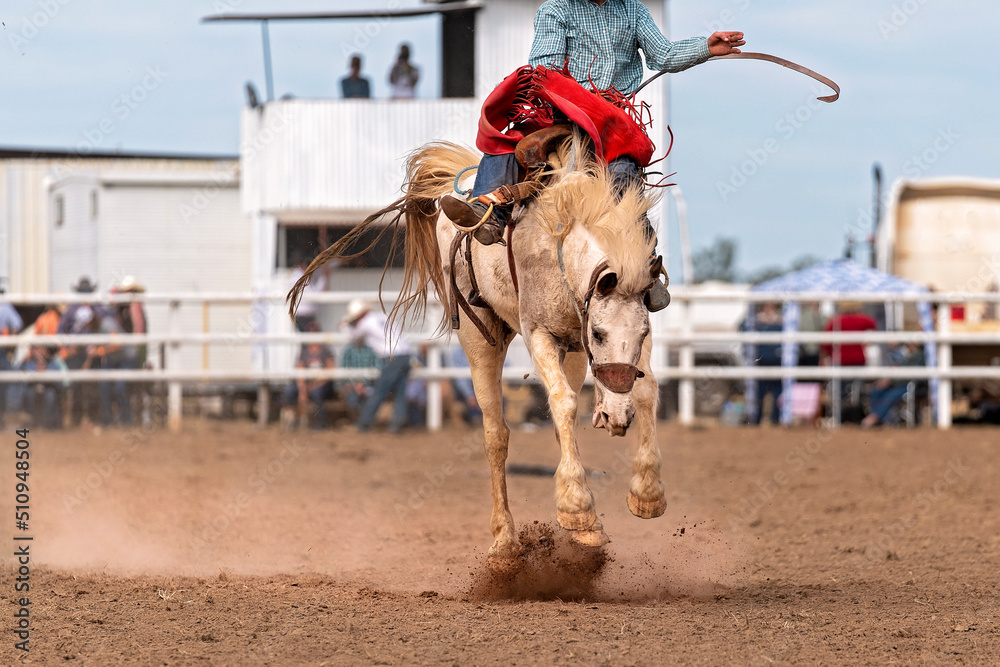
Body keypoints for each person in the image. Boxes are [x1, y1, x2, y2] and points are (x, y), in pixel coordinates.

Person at [439, 0, 744, 314]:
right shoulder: (556, 10)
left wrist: (704, 47)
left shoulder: (633, 11)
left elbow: (662, 55)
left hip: (612, 120)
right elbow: (545, 65)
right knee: (508, 140)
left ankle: (644, 263)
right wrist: (579, 98)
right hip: (562, 112)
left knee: (623, 175)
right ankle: (488, 212)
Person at [339, 299, 413, 433]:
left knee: (379, 391)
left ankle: (364, 423)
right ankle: (397, 424)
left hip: (392, 357)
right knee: (400, 392)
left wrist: (345, 326)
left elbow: (355, 336)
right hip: (405, 354)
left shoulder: (365, 323)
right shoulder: (383, 316)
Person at [282, 321, 337, 429]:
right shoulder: (304, 352)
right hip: (306, 384)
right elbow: (299, 371)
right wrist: (303, 390)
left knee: (317, 393)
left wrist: (311, 386)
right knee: (290, 391)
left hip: (322, 384)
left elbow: (330, 373)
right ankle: (293, 419)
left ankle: (321, 422)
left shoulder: (326, 351)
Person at [861, 341, 925, 428]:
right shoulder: (902, 353)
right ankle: (878, 417)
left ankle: (874, 418)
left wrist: (890, 381)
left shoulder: (920, 356)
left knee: (890, 395)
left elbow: (910, 376)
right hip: (895, 383)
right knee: (876, 390)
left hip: (907, 385)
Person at [339, 334, 381, 421]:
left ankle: (364, 422)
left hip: (368, 385)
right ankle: (363, 422)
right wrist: (356, 384)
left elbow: (377, 368)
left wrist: (363, 384)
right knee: (353, 400)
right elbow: (344, 369)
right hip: (352, 385)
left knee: (371, 399)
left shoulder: (371, 350)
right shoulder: (348, 351)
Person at [0, 290, 25, 424]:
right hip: (1, 352)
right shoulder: (5, 306)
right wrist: (11, 345)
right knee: (12, 378)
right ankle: (11, 414)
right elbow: (17, 324)